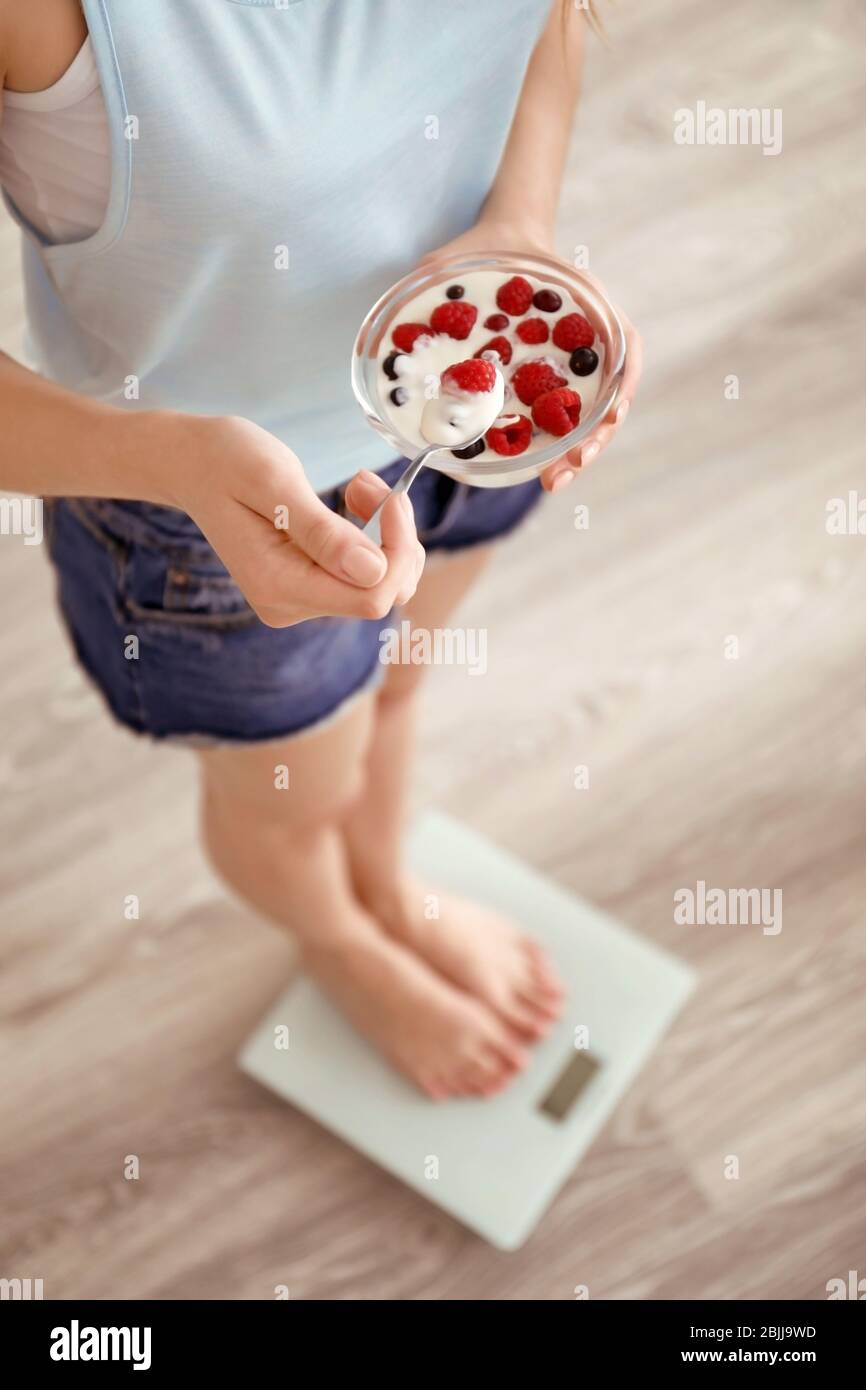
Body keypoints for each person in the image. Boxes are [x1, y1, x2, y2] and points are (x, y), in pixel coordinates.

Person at [0, 0, 641, 1099]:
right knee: (291, 803)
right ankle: (340, 939)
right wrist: (171, 464)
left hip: (466, 395)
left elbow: (546, 22)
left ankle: (388, 879)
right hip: (210, 510)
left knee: (395, 689)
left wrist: (519, 226)